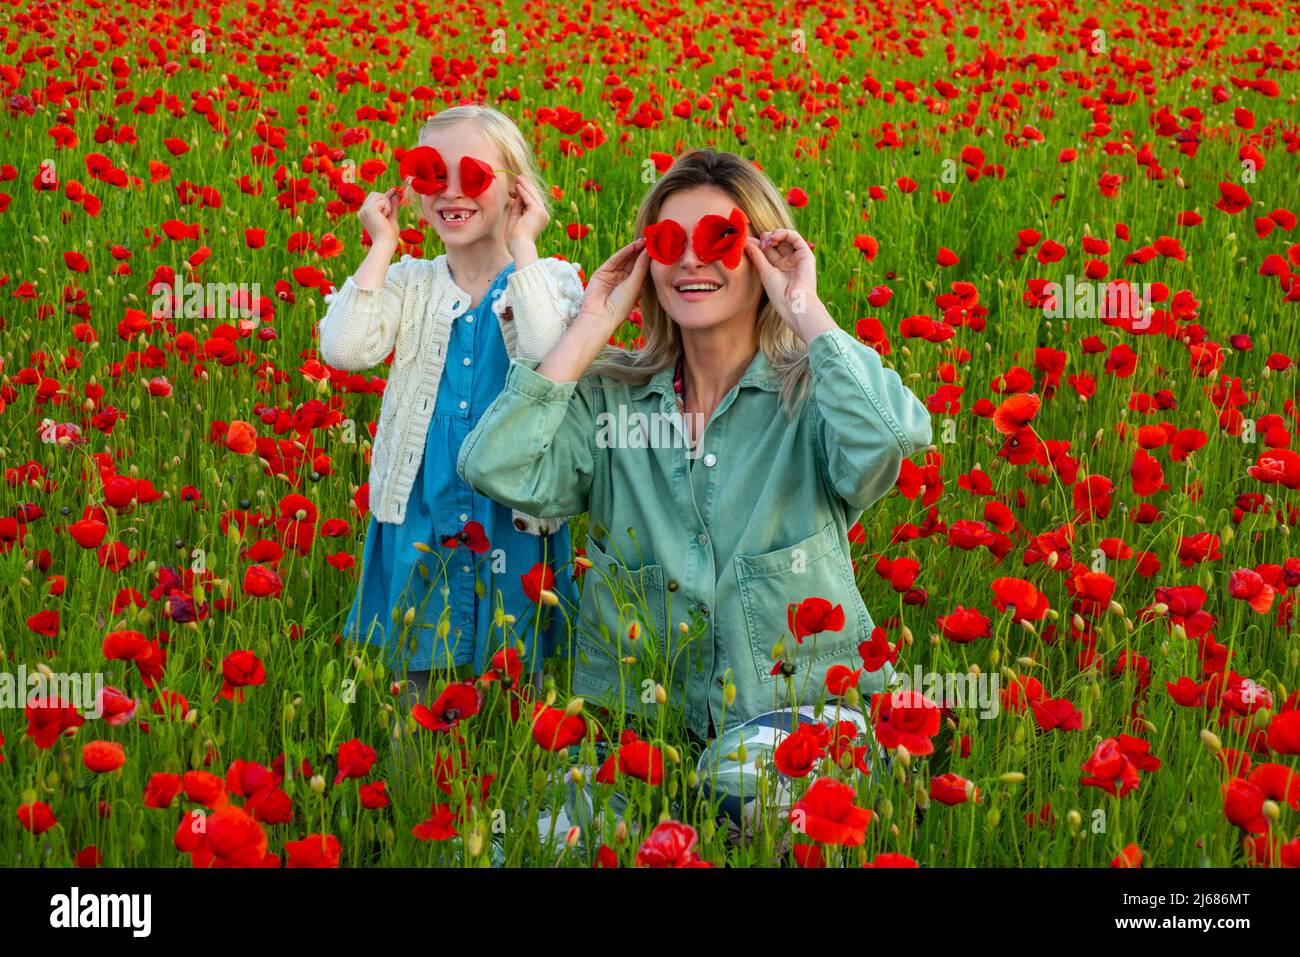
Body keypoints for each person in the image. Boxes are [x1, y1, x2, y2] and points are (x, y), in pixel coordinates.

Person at [457, 148, 933, 760]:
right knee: (536, 843)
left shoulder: (813, 396)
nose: (689, 258)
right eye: (666, 241)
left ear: (762, 255)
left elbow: (890, 437)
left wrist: (802, 309)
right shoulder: (610, 400)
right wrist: (588, 328)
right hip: (639, 727)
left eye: (720, 238)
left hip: (800, 717)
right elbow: (496, 466)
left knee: (746, 796)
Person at [317, 105, 582, 717]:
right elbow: (346, 348)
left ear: (515, 189)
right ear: (411, 190)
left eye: (474, 174)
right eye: (432, 174)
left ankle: (522, 791)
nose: (451, 192)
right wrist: (382, 245)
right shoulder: (408, 282)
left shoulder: (548, 278)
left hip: (513, 509)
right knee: (419, 673)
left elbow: (549, 352)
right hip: (421, 501)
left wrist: (524, 247)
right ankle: (419, 791)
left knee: (520, 677)